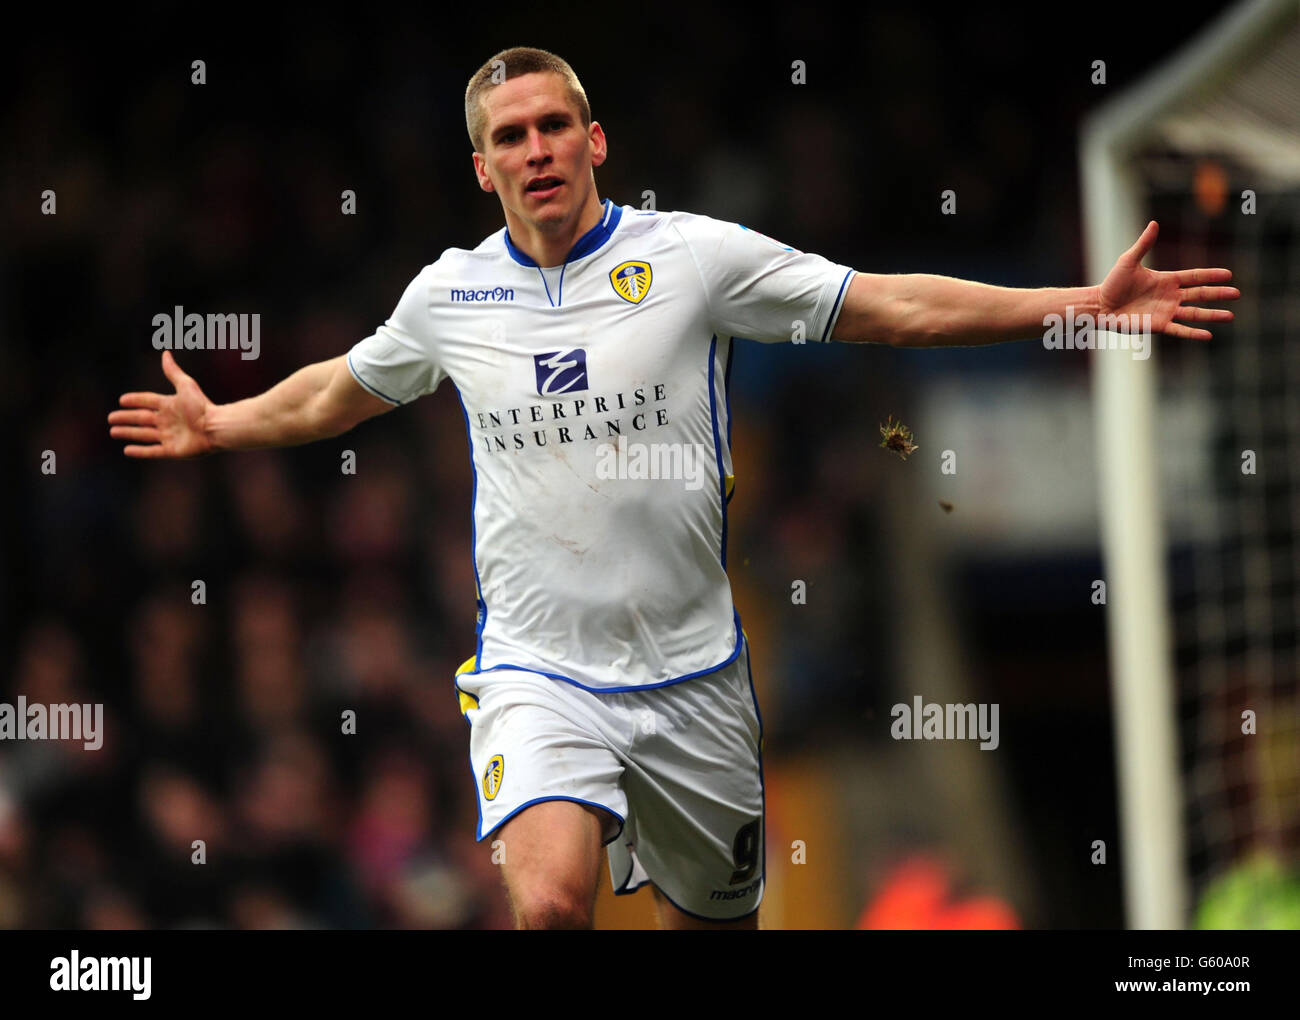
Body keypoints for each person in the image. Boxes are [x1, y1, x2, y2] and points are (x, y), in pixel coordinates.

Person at [108, 46, 1239, 930]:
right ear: (482, 166)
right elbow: (337, 392)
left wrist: (1075, 304)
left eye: (556, 125)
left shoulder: (694, 259)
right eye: (513, 135)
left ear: (596, 140)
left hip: (694, 679)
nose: (538, 147)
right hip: (539, 670)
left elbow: (885, 304)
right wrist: (222, 424)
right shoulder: (447, 298)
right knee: (551, 901)